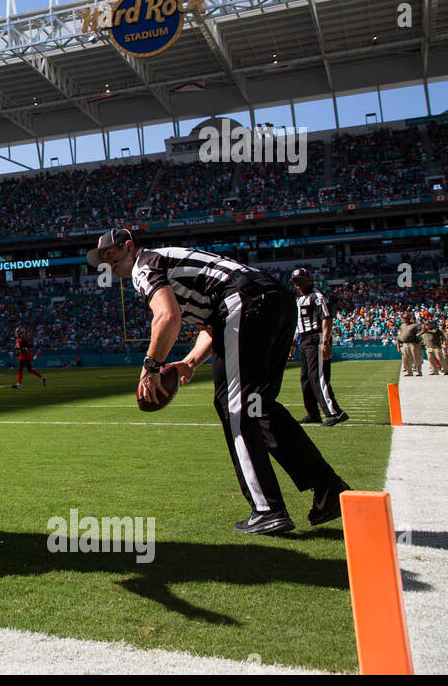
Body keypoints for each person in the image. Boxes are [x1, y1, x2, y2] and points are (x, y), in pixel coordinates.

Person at [88, 228, 350, 536]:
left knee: (235, 405)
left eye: (110, 255)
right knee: (259, 406)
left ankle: (267, 508)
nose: (107, 264)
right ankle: (329, 489)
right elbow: (213, 322)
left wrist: (151, 367)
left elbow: (167, 316)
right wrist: (189, 362)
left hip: (244, 302)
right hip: (272, 300)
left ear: (128, 247)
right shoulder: (173, 264)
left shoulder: (144, 266)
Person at [290, 268, 347, 426]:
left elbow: (327, 319)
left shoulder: (317, 297)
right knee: (306, 379)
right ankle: (313, 413)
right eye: (295, 281)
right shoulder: (300, 298)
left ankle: (335, 413)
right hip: (304, 339)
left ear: (308, 279)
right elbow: (299, 325)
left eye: (300, 280)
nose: (297, 284)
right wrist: (294, 344)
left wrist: (325, 342)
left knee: (318, 376)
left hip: (316, 338)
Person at [396, 312, 422, 376]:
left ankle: (419, 372)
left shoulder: (415, 325)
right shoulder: (402, 325)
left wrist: (419, 335)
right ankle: (409, 372)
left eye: (405, 318)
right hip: (404, 343)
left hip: (413, 343)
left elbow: (423, 329)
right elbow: (400, 332)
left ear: (409, 318)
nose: (404, 319)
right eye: (403, 318)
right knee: (406, 358)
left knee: (416, 358)